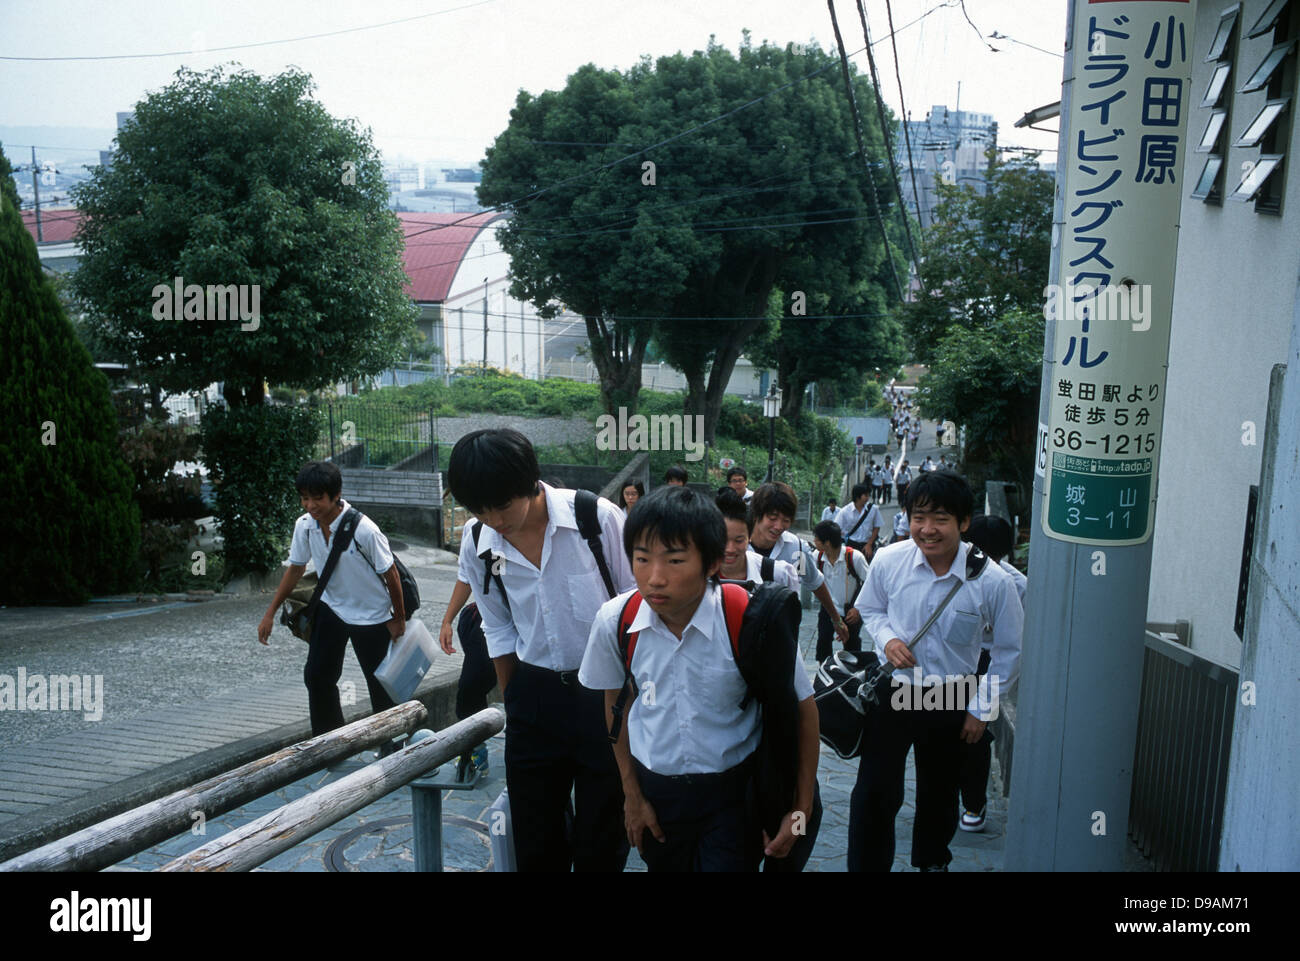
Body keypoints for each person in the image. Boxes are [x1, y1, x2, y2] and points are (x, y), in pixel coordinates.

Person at [579, 486, 819, 872]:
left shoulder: (750, 619)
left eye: (674, 561)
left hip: (734, 796)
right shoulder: (616, 621)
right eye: (641, 559)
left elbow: (804, 710)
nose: (654, 578)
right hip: (658, 797)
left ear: (711, 564)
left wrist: (801, 806)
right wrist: (632, 793)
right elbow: (615, 705)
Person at [447, 428, 635, 872]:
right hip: (533, 697)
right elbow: (498, 626)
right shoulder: (478, 543)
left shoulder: (596, 519)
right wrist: (515, 699)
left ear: (530, 484)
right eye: (479, 509)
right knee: (535, 838)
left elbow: (637, 606)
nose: (493, 519)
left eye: (501, 506)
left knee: (601, 838)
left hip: (604, 697)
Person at [847, 470, 1023, 872]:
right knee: (875, 792)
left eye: (940, 519)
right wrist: (888, 639)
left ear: (963, 523)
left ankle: (931, 863)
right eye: (918, 517)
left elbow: (1010, 650)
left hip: (949, 697)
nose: (927, 529)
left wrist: (982, 708)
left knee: (939, 793)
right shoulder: (891, 561)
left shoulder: (992, 581)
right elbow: (870, 608)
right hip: (894, 691)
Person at [257, 462, 406, 739]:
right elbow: (295, 569)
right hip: (331, 608)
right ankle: (328, 741)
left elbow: (392, 574)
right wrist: (270, 612)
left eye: (317, 497)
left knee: (380, 685)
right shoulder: (304, 526)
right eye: (304, 497)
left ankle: (393, 745)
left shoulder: (364, 529)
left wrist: (398, 618)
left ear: (335, 495)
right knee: (317, 676)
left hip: (371, 615)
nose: (310, 505)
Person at [957, 514, 1026, 833]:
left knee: (976, 735)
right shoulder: (956, 571)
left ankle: (974, 803)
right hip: (955, 662)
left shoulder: (1014, 584)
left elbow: (1013, 642)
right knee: (943, 729)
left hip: (989, 664)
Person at [747, 482, 849, 646]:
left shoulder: (796, 549)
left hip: (779, 637)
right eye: (772, 518)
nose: (779, 526)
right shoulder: (736, 546)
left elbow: (815, 582)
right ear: (757, 514)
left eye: (786, 520)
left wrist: (836, 620)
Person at [438, 577, 494, 778]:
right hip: (483, 621)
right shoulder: (475, 544)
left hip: (526, 621)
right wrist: (447, 621)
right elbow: (466, 577)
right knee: (469, 689)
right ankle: (474, 751)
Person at [715, 490, 800, 589]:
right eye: (722, 539)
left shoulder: (781, 573)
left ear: (749, 537)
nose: (730, 549)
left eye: (739, 540)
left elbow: (814, 581)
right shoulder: (697, 573)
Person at [811, 520, 868, 662]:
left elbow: (870, 583)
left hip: (851, 611)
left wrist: (858, 608)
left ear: (827, 543)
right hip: (828, 608)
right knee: (823, 640)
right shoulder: (817, 557)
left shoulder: (854, 557)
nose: (814, 542)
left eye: (817, 539)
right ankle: (824, 671)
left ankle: (852, 675)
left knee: (852, 645)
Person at [834, 483, 881, 557]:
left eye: (868, 495)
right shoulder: (845, 511)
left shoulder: (873, 509)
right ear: (857, 496)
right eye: (865, 495)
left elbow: (877, 527)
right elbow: (836, 527)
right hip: (851, 545)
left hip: (867, 545)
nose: (868, 498)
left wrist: (869, 544)